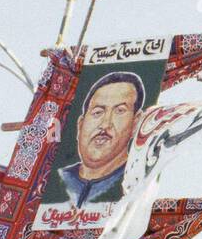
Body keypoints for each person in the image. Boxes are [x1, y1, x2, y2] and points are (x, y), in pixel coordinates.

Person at [57, 71, 146, 206]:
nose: (105, 124)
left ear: (136, 123)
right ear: (80, 125)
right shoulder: (58, 180)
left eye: (120, 111)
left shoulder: (139, 179)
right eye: (97, 112)